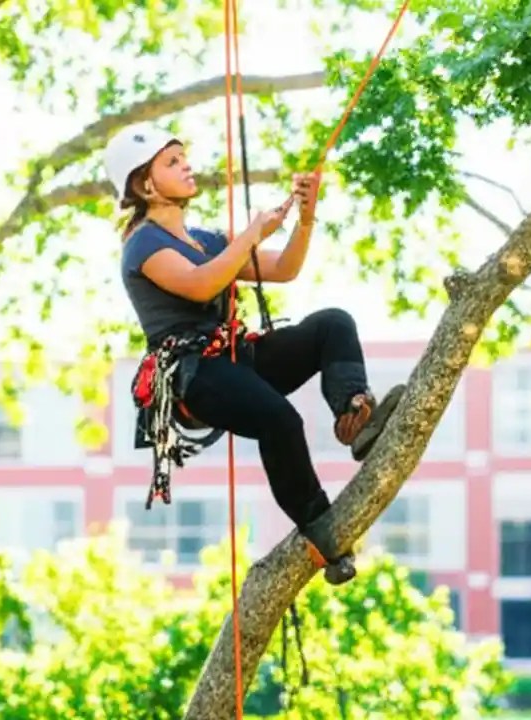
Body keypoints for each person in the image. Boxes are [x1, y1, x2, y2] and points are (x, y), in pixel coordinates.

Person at [103, 123, 405, 585]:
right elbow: (201, 283)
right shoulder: (143, 244)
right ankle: (319, 526)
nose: (186, 167)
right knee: (280, 420)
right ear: (144, 184)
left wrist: (304, 218)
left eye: (184, 157)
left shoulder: (208, 239)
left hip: (237, 356)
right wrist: (250, 233)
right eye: (171, 162)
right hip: (196, 375)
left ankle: (354, 416)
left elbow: (283, 269)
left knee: (332, 324)